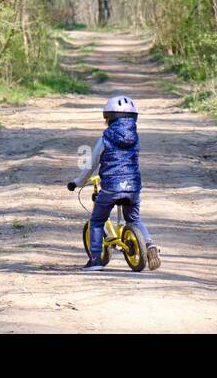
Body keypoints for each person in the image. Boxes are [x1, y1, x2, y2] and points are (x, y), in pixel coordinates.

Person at [67, 94, 161, 271]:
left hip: (111, 188)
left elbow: (90, 166)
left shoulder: (105, 139)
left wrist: (78, 183)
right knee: (133, 219)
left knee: (96, 221)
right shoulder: (135, 138)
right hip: (133, 188)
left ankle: (95, 260)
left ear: (108, 118)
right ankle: (148, 243)